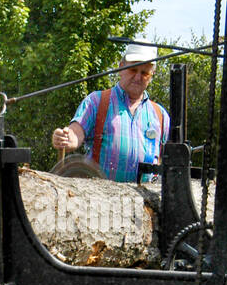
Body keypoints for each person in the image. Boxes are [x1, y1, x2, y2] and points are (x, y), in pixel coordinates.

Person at [50, 44, 170, 183]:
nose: (138, 77)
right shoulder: (97, 101)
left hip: (145, 202)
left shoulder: (160, 115)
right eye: (133, 69)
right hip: (100, 200)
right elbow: (76, 132)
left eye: (144, 73)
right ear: (121, 67)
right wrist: (67, 138)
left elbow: (171, 160)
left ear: (151, 76)